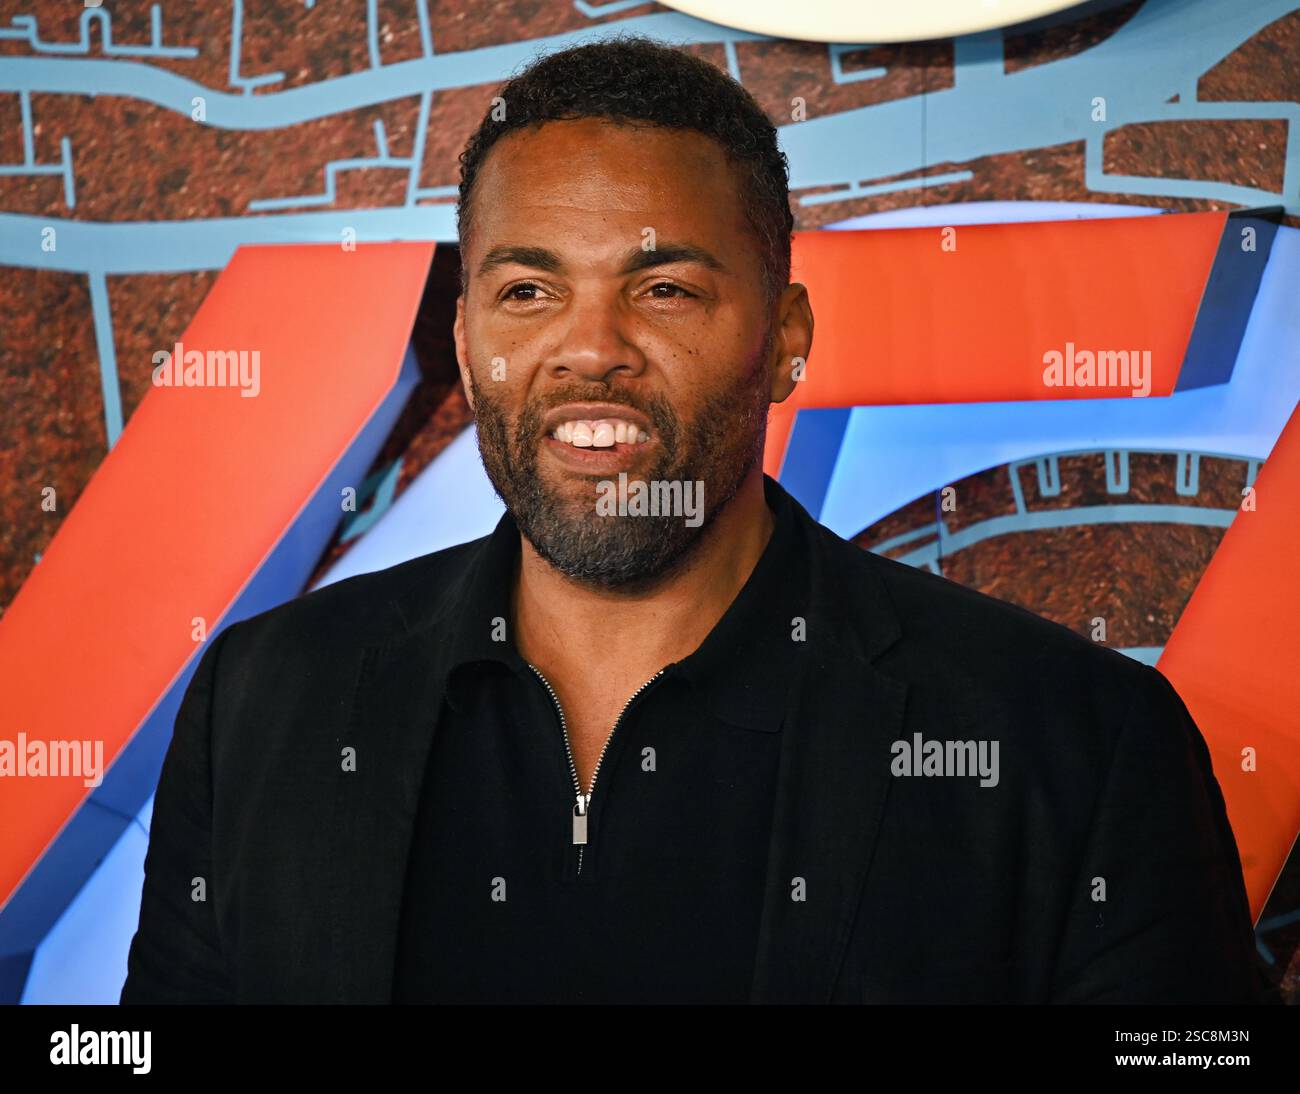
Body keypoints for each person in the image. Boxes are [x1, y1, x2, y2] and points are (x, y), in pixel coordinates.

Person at [121, 35, 1272, 1004]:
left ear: (785, 337)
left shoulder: (1073, 740)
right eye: (527, 290)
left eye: (663, 288)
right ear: (468, 345)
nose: (588, 349)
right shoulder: (265, 700)